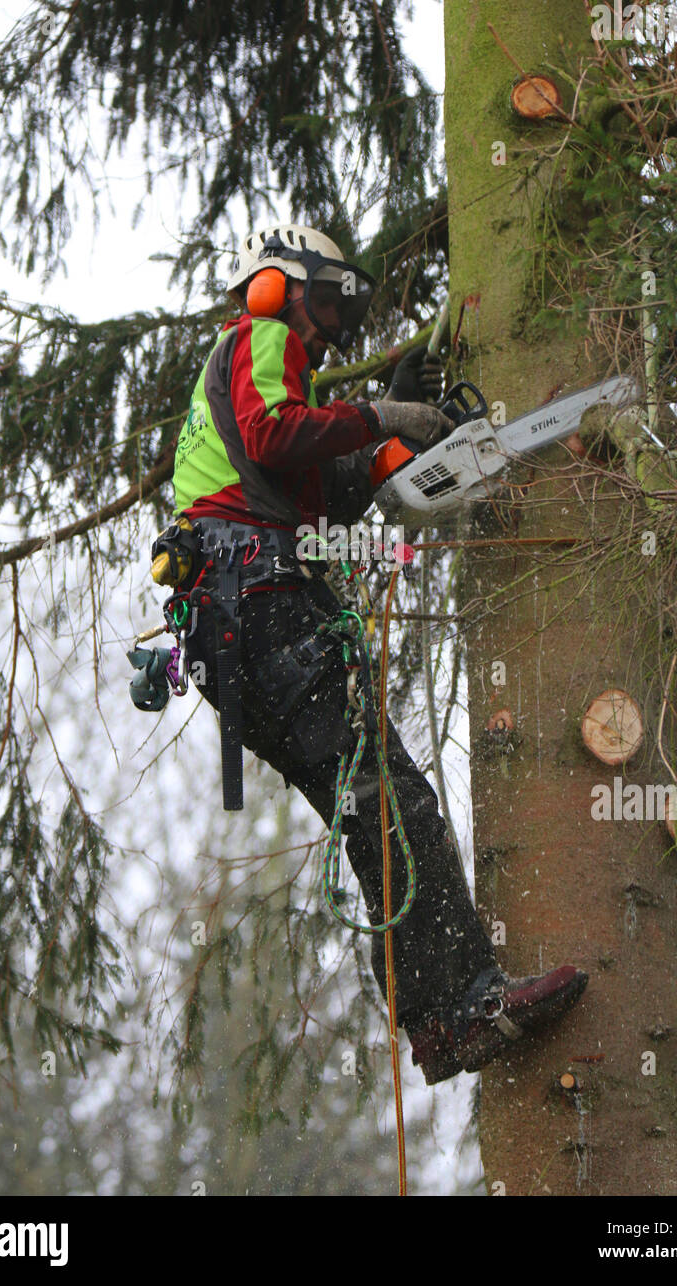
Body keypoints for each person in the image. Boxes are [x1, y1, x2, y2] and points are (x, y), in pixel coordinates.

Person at [169, 222, 588, 1082]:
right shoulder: (260, 339)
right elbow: (284, 435)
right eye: (317, 304)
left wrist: (391, 446)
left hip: (236, 628)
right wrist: (378, 414)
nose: (322, 329)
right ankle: (460, 1002)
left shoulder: (252, 396)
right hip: (257, 605)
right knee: (390, 794)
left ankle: (439, 1022)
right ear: (273, 288)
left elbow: (321, 496)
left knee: (374, 806)